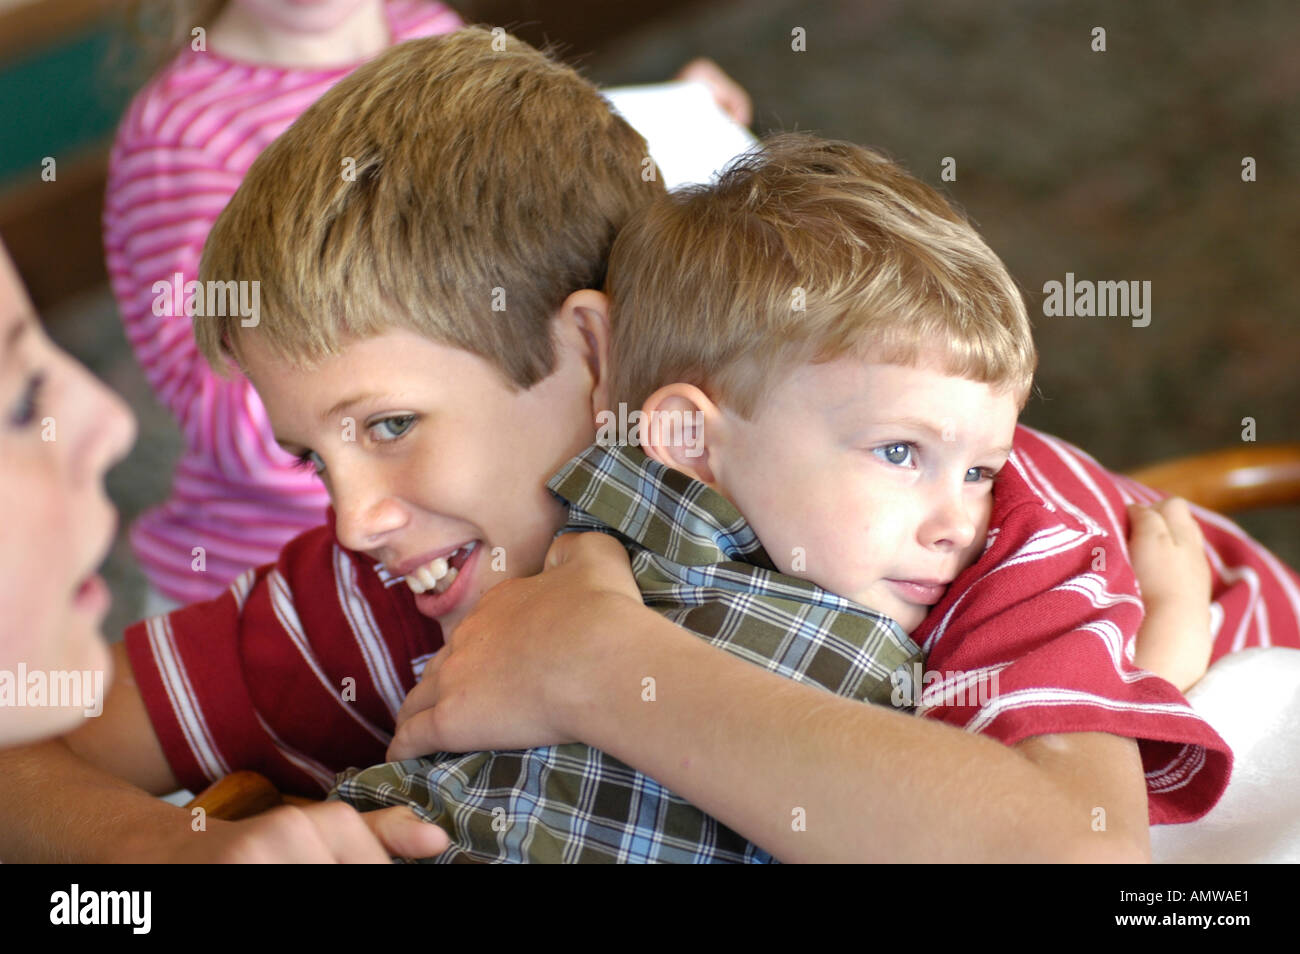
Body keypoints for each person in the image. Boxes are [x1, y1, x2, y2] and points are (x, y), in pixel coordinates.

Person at [0, 31, 1215, 863]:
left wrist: (594, 665)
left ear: (591, 353)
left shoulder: (963, 510)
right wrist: (170, 846)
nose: (354, 512)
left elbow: (1070, 854)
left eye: (389, 426)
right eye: (316, 455)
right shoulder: (370, 587)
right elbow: (22, 735)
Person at [332, 134, 1242, 861]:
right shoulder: (594, 510)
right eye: (898, 453)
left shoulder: (1004, 559)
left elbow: (1078, 811)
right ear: (687, 438)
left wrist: (1168, 628)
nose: (957, 520)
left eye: (978, 469)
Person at [105, 0, 750, 613]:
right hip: (260, 579)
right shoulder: (177, 136)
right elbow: (228, 410)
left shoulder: (422, 22)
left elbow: (480, 192)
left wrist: (652, 124)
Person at [0, 241, 448, 861]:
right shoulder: (355, 605)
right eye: (20, 406)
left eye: (394, 424)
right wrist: (155, 849)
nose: (350, 524)